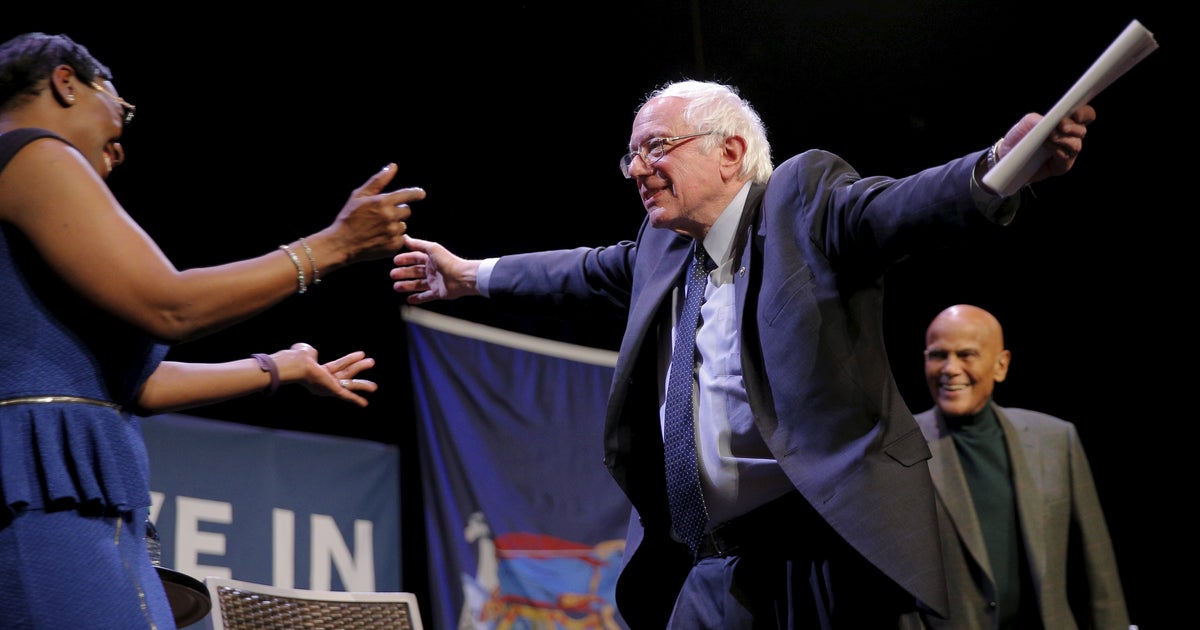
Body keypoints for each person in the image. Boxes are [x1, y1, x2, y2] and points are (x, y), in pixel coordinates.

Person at [390, 78, 1095, 628]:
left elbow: (897, 208)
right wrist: (469, 275)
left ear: (729, 151)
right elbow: (578, 270)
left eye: (656, 147)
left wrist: (1000, 168)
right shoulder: (663, 250)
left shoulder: (803, 203)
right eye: (632, 152)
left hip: (820, 550)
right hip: (713, 563)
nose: (638, 167)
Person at [0, 32, 422, 629]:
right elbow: (168, 306)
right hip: (40, 491)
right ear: (66, 83)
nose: (120, 146)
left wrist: (280, 367)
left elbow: (137, 386)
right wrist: (334, 246)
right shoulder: (30, 151)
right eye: (121, 108)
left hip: (72, 497)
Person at [913, 304, 1130, 629]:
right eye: (938, 355)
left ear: (1001, 365)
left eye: (966, 354)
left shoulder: (1056, 439)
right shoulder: (902, 451)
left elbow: (1097, 570)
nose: (950, 368)